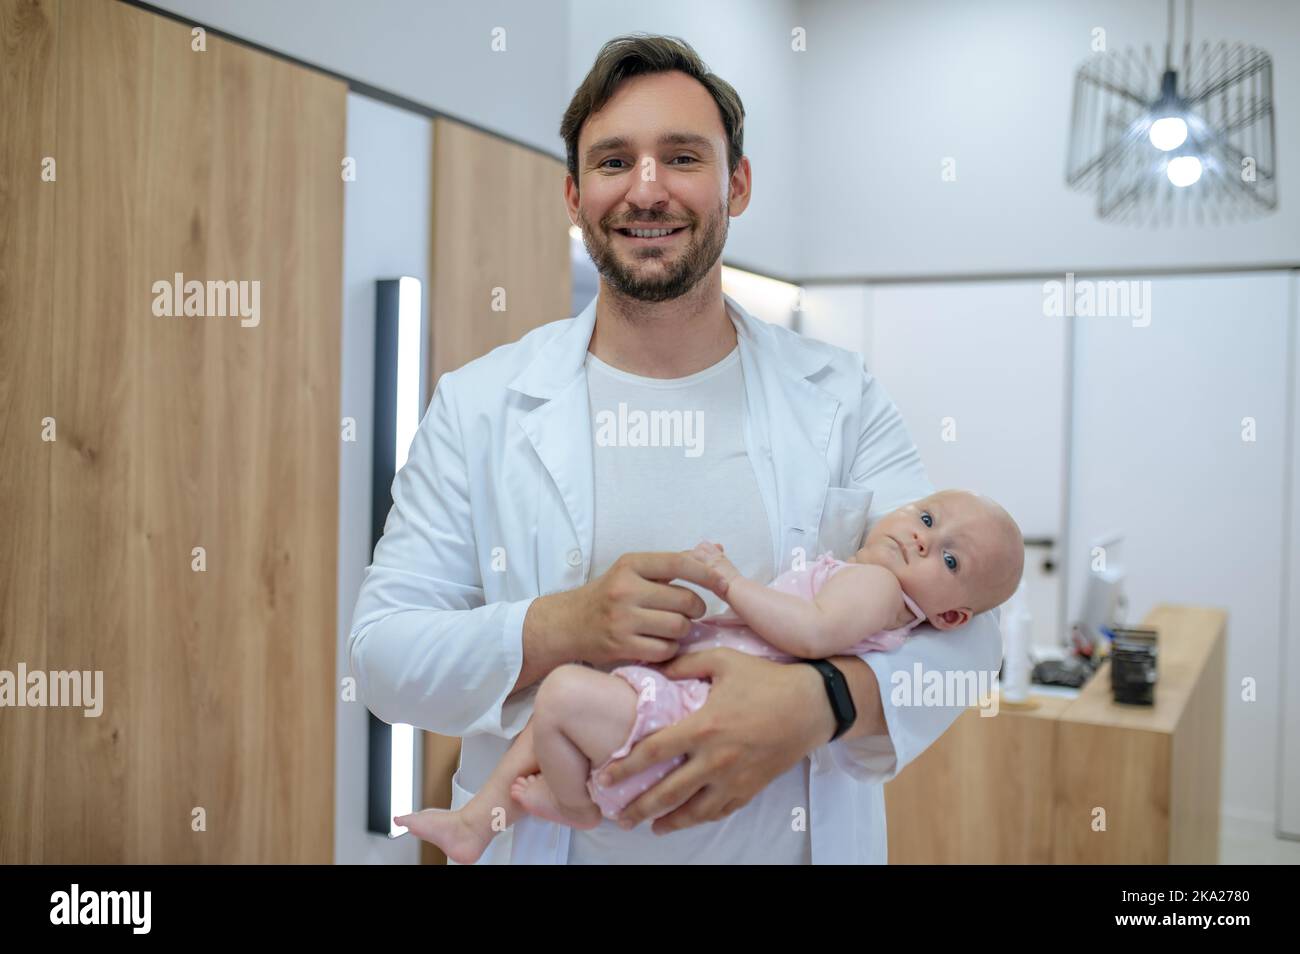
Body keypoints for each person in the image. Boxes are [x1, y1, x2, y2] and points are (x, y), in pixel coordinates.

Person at [347, 34, 1005, 864]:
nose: (646, 190)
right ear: (575, 194)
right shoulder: (477, 405)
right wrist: (561, 626)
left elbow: (973, 627)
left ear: (737, 183)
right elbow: (383, 658)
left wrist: (821, 700)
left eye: (682, 156)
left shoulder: (841, 396)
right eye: (614, 161)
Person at [390, 491, 1024, 864]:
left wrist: (727, 582)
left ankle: (575, 804)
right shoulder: (874, 576)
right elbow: (385, 651)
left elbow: (810, 633)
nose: (920, 539)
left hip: (697, 708)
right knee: (557, 705)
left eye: (947, 558)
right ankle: (480, 820)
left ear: (949, 613)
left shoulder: (878, 585)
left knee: (558, 695)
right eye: (927, 518)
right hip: (682, 693)